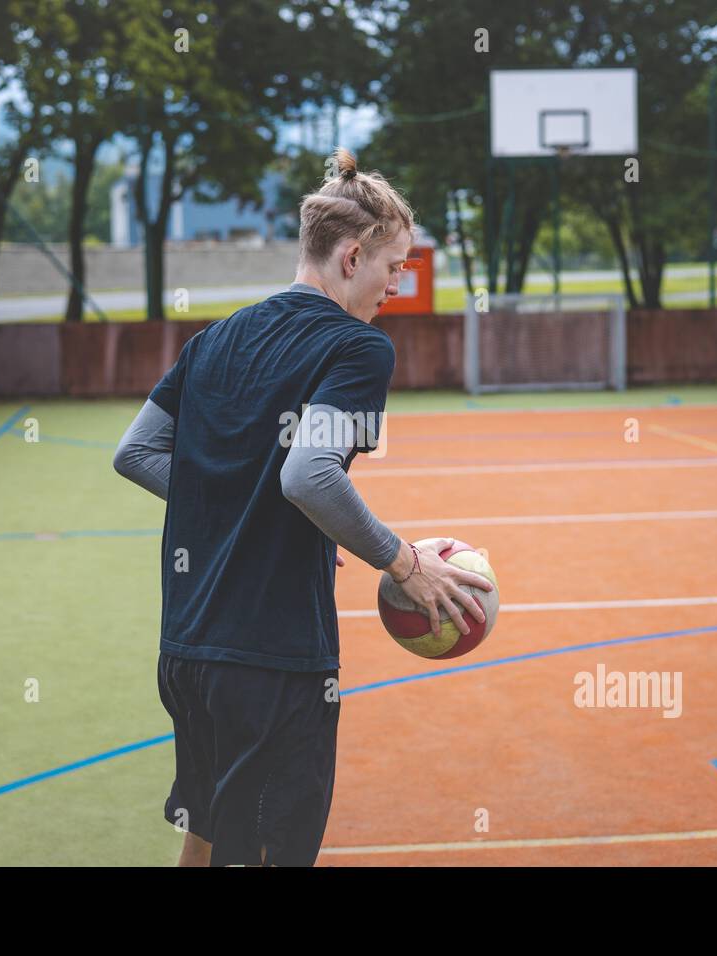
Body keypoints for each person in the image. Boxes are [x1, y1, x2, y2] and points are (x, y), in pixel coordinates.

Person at [113, 146, 494, 866]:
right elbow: (310, 475)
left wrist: (240, 508)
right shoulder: (356, 348)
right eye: (394, 266)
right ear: (352, 257)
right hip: (272, 661)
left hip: (187, 649)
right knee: (261, 850)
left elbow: (135, 453)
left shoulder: (215, 339)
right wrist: (404, 560)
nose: (397, 283)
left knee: (209, 837)